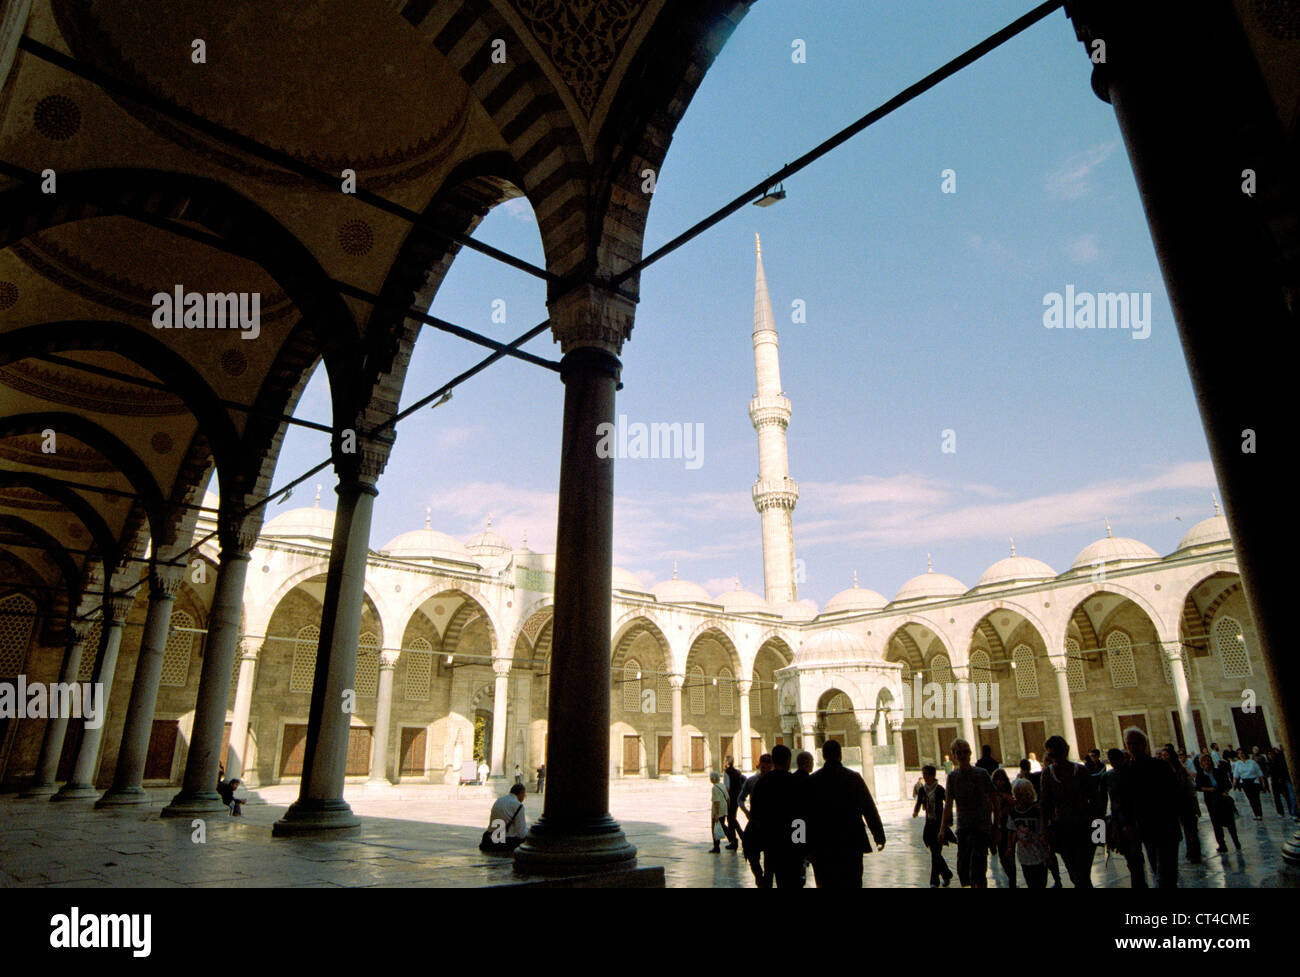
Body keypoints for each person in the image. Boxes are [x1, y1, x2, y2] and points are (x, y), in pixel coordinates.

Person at [807, 739, 884, 888]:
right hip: (851, 844)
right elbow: (869, 809)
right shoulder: (853, 778)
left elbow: (803, 816)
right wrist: (879, 836)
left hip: (823, 847)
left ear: (823, 756)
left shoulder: (813, 781)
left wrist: (800, 843)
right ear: (840, 755)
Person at [1117, 727, 1183, 888]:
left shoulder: (1160, 766)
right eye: (1129, 743)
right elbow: (1124, 801)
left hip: (1165, 826)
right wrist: (1126, 824)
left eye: (1136, 743)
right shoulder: (1126, 770)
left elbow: (1174, 794)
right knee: (1156, 868)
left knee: (1166, 875)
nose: (1132, 747)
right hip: (1146, 829)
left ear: (1144, 744)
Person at [1039, 735, 1098, 887]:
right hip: (1063, 830)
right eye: (1052, 755)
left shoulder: (1081, 770)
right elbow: (1045, 805)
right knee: (1074, 873)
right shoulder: (1048, 774)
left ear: (1066, 751)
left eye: (1058, 754)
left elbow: (1095, 801)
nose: (1056, 759)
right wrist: (1045, 829)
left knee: (1083, 873)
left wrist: (1101, 831)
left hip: (1085, 828)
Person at [939, 738, 995, 888]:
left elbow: (994, 798)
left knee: (979, 867)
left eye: (965, 752)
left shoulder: (981, 774)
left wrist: (996, 824)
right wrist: (942, 829)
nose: (962, 756)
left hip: (981, 827)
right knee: (962, 867)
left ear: (970, 753)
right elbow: (948, 804)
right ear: (954, 755)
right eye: (958, 753)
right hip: (964, 828)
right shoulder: (952, 777)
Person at [1103, 748, 1147, 886]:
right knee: (1131, 855)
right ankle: (1139, 881)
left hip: (1130, 820)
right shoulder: (1110, 776)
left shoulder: (1124, 775)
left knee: (1134, 855)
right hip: (1121, 820)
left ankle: (1138, 882)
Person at [912, 764, 953, 887]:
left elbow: (949, 804)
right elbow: (919, 802)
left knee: (936, 853)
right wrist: (915, 811)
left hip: (939, 825)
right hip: (929, 824)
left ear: (932, 775)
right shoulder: (922, 790)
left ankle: (934, 882)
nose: (924, 776)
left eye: (926, 774)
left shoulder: (939, 789)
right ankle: (946, 874)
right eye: (923, 774)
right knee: (934, 852)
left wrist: (948, 820)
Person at [1162, 744, 1202, 864]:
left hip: (1185, 803)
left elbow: (1190, 788)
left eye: (1166, 755)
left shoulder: (1181, 770)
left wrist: (1196, 806)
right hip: (1172, 805)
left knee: (1191, 830)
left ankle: (1194, 853)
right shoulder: (1162, 772)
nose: (1164, 757)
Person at [1007, 778, 1050, 888]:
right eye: (1018, 795)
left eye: (1023, 794)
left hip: (1039, 852)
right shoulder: (1013, 812)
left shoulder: (1037, 811)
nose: (1021, 798)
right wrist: (1010, 847)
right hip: (1024, 855)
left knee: (1041, 882)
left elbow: (1044, 829)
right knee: (1030, 881)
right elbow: (1012, 831)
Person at [738, 753, 772, 886]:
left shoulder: (774, 782)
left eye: (768, 768)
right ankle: (759, 876)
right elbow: (740, 798)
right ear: (759, 766)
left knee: (770, 860)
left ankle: (765, 882)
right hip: (756, 823)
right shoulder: (752, 781)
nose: (765, 771)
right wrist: (746, 811)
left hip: (770, 826)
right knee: (751, 853)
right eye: (763, 768)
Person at [1196, 753, 1240, 853]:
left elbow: (1228, 784)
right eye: (1204, 761)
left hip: (1222, 799)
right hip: (1211, 801)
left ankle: (1236, 842)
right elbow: (1198, 787)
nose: (1206, 763)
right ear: (1201, 764)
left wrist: (1225, 792)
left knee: (1230, 823)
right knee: (1216, 824)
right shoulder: (1200, 774)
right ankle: (1222, 845)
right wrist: (1208, 789)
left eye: (1208, 761)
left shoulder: (1218, 771)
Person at [990, 768, 1018, 887]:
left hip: (1009, 828)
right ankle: (1011, 878)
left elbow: (1014, 807)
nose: (1000, 783)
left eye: (1002, 780)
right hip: (998, 828)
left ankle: (1012, 882)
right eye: (997, 780)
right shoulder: (991, 795)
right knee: (1002, 856)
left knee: (1009, 855)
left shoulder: (1008, 795)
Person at [481, 784, 527, 852]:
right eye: (524, 795)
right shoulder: (518, 805)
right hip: (506, 842)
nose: (524, 797)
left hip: (491, 840)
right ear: (521, 793)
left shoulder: (499, 800)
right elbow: (521, 833)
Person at [1232, 749, 1266, 820]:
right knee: (1250, 799)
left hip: (1254, 782)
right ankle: (1255, 814)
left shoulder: (1252, 762)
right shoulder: (1238, 763)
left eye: (1242, 753)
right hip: (1245, 783)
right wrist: (1234, 783)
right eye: (1239, 753)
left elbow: (1259, 773)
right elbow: (1236, 774)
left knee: (1256, 798)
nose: (1241, 755)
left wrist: (1263, 783)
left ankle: (1259, 814)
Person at [723, 755, 745, 851]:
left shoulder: (727, 773)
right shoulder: (737, 772)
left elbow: (727, 788)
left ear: (727, 763)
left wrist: (725, 798)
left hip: (730, 799)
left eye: (724, 761)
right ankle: (735, 840)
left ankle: (739, 838)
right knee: (732, 819)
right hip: (737, 798)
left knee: (731, 819)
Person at [1268, 747, 1297, 819]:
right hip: (1274, 781)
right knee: (1277, 797)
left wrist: (1280, 778)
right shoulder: (1270, 762)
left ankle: (1291, 812)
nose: (1270, 755)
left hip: (1281, 780)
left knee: (1287, 796)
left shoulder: (1279, 761)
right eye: (1269, 754)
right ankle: (1280, 812)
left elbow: (1282, 770)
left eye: (1271, 754)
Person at [709, 771, 728, 853]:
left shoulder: (714, 788)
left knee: (715, 828)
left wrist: (716, 814)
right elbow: (728, 798)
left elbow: (716, 801)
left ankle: (716, 846)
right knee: (722, 825)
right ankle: (732, 839)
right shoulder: (722, 785)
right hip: (724, 809)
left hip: (718, 810)